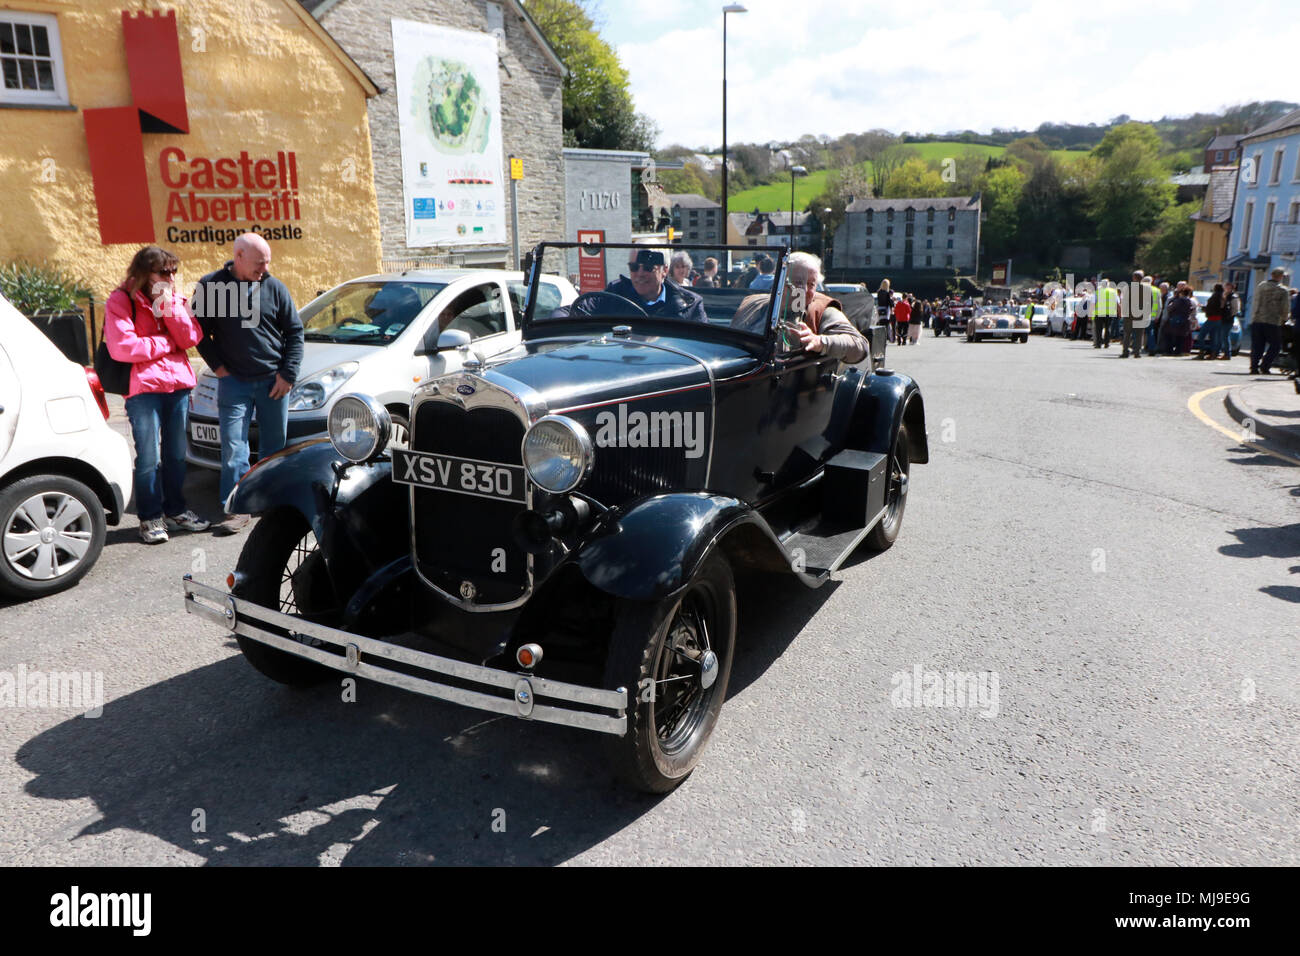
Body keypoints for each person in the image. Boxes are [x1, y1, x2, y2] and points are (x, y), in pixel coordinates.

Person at [193, 232, 304, 535]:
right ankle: (236, 507)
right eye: (258, 264)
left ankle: (270, 502)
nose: (264, 270)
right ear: (238, 256)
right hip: (235, 383)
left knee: (272, 448)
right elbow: (199, 332)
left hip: (273, 381)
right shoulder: (211, 286)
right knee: (233, 447)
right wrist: (218, 368)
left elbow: (295, 332)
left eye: (267, 263)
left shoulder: (274, 287)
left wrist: (288, 374)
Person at [105, 246, 209, 543]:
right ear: (143, 272)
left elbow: (190, 338)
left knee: (176, 455)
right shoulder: (122, 299)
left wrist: (170, 305)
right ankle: (150, 517)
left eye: (174, 271)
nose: (171, 277)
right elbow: (123, 347)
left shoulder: (174, 299)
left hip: (177, 385)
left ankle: (176, 510)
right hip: (144, 390)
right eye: (164, 272)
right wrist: (164, 343)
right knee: (148, 457)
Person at [599, 247, 707, 321]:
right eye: (634, 267)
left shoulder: (691, 305)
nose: (640, 274)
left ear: (664, 270)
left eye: (648, 268)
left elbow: (702, 348)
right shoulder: (612, 295)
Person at [1248, 267, 1290, 375]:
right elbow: (1285, 307)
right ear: (1280, 277)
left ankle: (1254, 367)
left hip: (1257, 319)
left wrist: (1253, 317)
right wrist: (1285, 319)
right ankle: (1265, 365)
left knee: (1257, 345)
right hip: (1272, 320)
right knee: (1275, 345)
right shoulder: (1283, 290)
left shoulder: (1261, 286)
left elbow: (1255, 301)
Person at [1160, 285, 1195, 355]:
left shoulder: (1178, 301)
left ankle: (1168, 351)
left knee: (1168, 336)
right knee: (1180, 338)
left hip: (1175, 320)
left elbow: (1170, 308)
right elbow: (1192, 310)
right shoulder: (1189, 301)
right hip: (1185, 321)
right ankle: (1178, 351)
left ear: (1181, 293)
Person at [1197, 284, 1225, 360]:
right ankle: (1213, 354)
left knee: (1201, 335)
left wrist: (1203, 307)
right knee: (1214, 338)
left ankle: (1201, 352)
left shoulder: (1214, 297)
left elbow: (1211, 308)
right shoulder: (1222, 298)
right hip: (1219, 320)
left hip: (1212, 319)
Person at [1093, 278, 1118, 348]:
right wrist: (1119, 312)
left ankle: (1098, 344)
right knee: (1108, 328)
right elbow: (1117, 303)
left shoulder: (1098, 291)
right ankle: (1107, 343)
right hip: (1109, 313)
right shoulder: (1113, 292)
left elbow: (1093, 303)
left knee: (1098, 329)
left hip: (1099, 313)